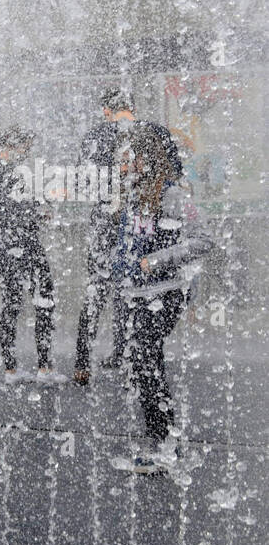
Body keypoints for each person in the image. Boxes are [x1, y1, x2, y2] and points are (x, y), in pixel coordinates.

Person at [113, 124, 211, 473]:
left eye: (129, 160)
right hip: (137, 294)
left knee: (147, 365)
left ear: (146, 159)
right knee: (143, 368)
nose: (124, 166)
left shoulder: (173, 196)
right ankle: (164, 444)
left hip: (166, 294)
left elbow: (203, 240)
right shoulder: (134, 195)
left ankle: (166, 447)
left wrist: (156, 260)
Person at [74, 86, 182, 385]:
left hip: (106, 222)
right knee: (132, 285)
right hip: (142, 219)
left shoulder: (95, 137)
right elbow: (175, 175)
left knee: (96, 291)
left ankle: (83, 362)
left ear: (106, 110)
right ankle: (126, 354)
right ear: (131, 107)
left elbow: (84, 184)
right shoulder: (156, 132)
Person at [0, 126, 63, 383]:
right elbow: (14, 210)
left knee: (11, 305)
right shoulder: (13, 171)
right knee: (44, 300)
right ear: (15, 145)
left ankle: (11, 370)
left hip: (4, 248)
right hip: (24, 246)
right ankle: (43, 368)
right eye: (25, 145)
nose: (27, 150)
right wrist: (38, 213)